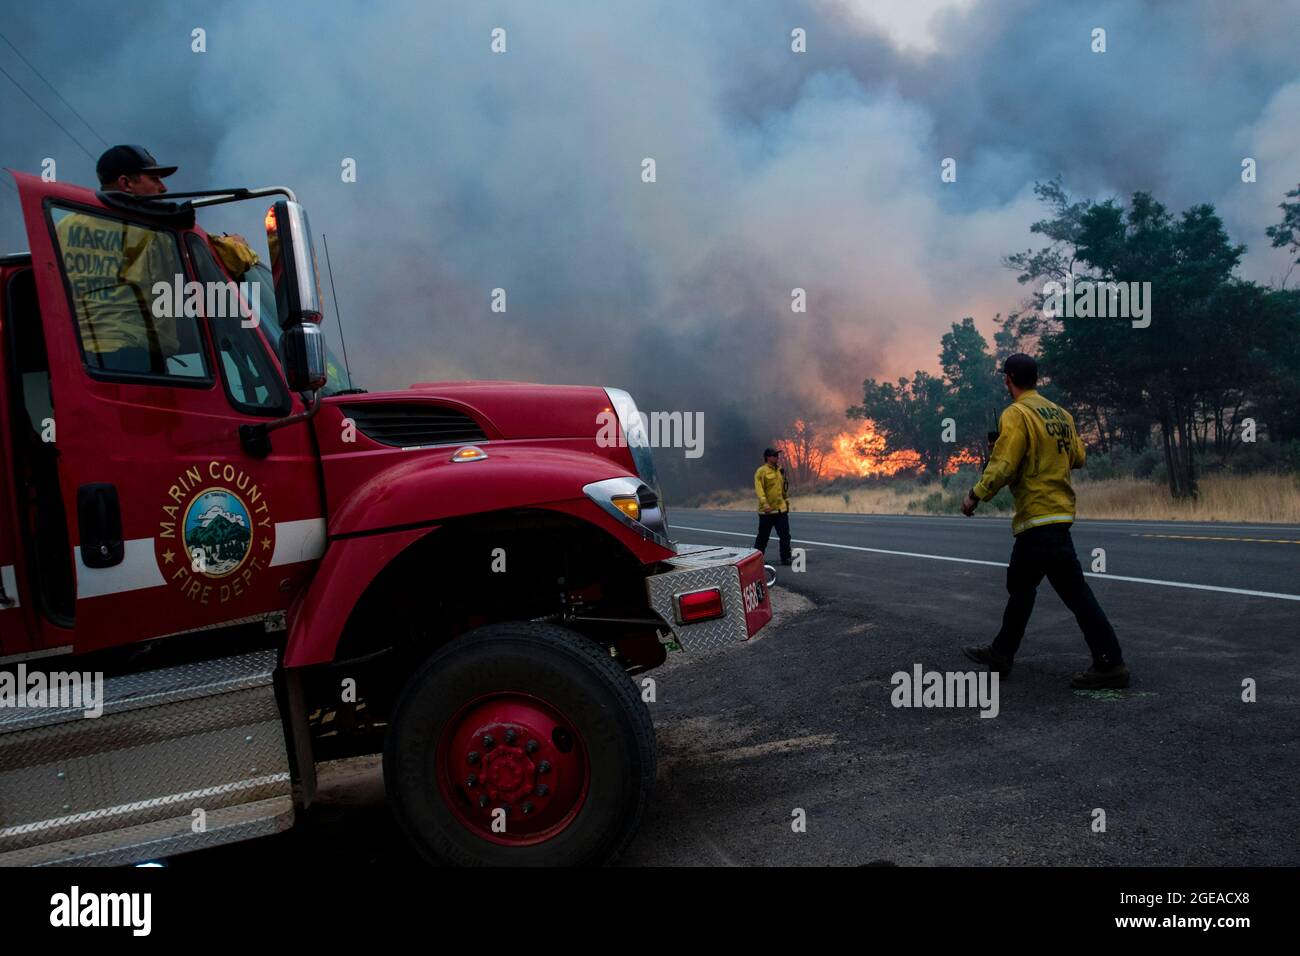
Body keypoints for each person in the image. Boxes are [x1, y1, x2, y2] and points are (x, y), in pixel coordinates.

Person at [960, 354, 1129, 690]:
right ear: (1035, 378)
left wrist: (975, 495)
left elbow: (1004, 465)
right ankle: (1003, 654)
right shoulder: (1061, 414)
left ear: (1008, 379)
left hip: (1038, 516)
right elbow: (1078, 457)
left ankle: (1110, 663)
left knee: (1052, 591)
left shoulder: (1017, 414)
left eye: (1005, 379)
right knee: (1027, 588)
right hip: (1058, 515)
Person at [54, 145, 181, 373]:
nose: (163, 188)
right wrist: (236, 246)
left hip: (80, 357)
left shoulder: (65, 227)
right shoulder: (152, 229)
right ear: (126, 183)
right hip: (135, 353)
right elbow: (199, 262)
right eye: (154, 178)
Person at [753, 447, 793, 566]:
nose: (777, 457)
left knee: (785, 535)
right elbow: (759, 489)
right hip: (767, 512)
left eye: (777, 455)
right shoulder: (761, 471)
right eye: (774, 455)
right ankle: (755, 560)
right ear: (768, 457)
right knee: (763, 537)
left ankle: (786, 558)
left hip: (781, 510)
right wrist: (765, 503)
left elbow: (783, 488)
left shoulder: (780, 470)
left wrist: (786, 502)